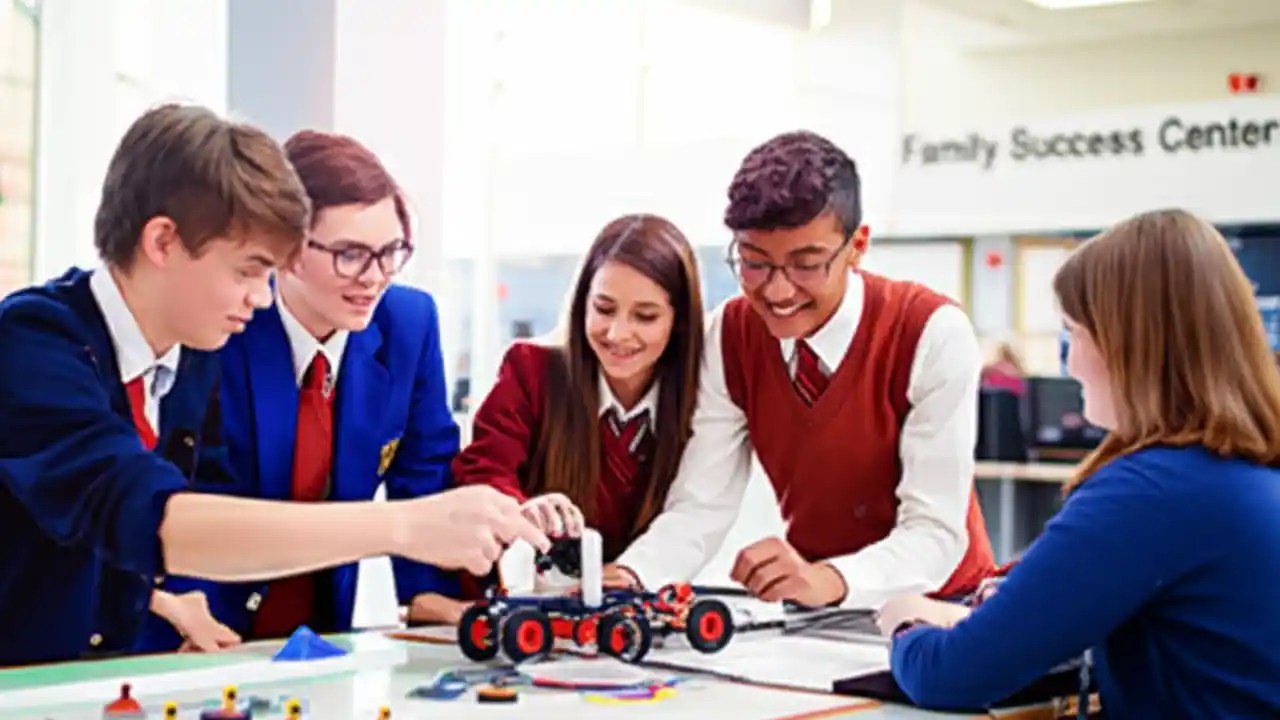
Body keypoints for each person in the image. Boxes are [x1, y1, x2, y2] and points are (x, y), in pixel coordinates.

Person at [0, 104, 548, 666]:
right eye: (247, 272)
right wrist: (405, 525)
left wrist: (150, 595)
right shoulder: (32, 342)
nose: (262, 298)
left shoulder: (183, 354)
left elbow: (107, 532)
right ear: (163, 242)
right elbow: (148, 512)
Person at [877, 209, 1280, 716]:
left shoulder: (1151, 491)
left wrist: (906, 624)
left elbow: (953, 674)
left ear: (1128, 345)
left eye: (1074, 332)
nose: (1070, 363)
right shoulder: (1246, 474)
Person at [611, 130, 996, 610]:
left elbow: (936, 533)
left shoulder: (931, 332)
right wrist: (634, 574)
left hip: (943, 611)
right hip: (818, 616)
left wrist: (831, 578)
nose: (777, 291)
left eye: (806, 264)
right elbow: (701, 504)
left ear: (857, 246)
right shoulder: (729, 336)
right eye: (753, 263)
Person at [134, 130, 464, 651]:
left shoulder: (409, 323)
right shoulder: (219, 325)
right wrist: (182, 613)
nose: (374, 278)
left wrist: (429, 594)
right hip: (198, 629)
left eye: (391, 251)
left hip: (319, 637)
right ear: (285, 249)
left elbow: (425, 473)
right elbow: (179, 495)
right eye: (350, 254)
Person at [421, 214, 704, 623]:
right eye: (604, 309)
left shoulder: (700, 401)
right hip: (519, 612)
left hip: (626, 620)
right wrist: (520, 512)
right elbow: (482, 471)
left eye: (645, 316)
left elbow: (694, 515)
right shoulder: (532, 371)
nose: (618, 334)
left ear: (678, 322)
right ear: (582, 303)